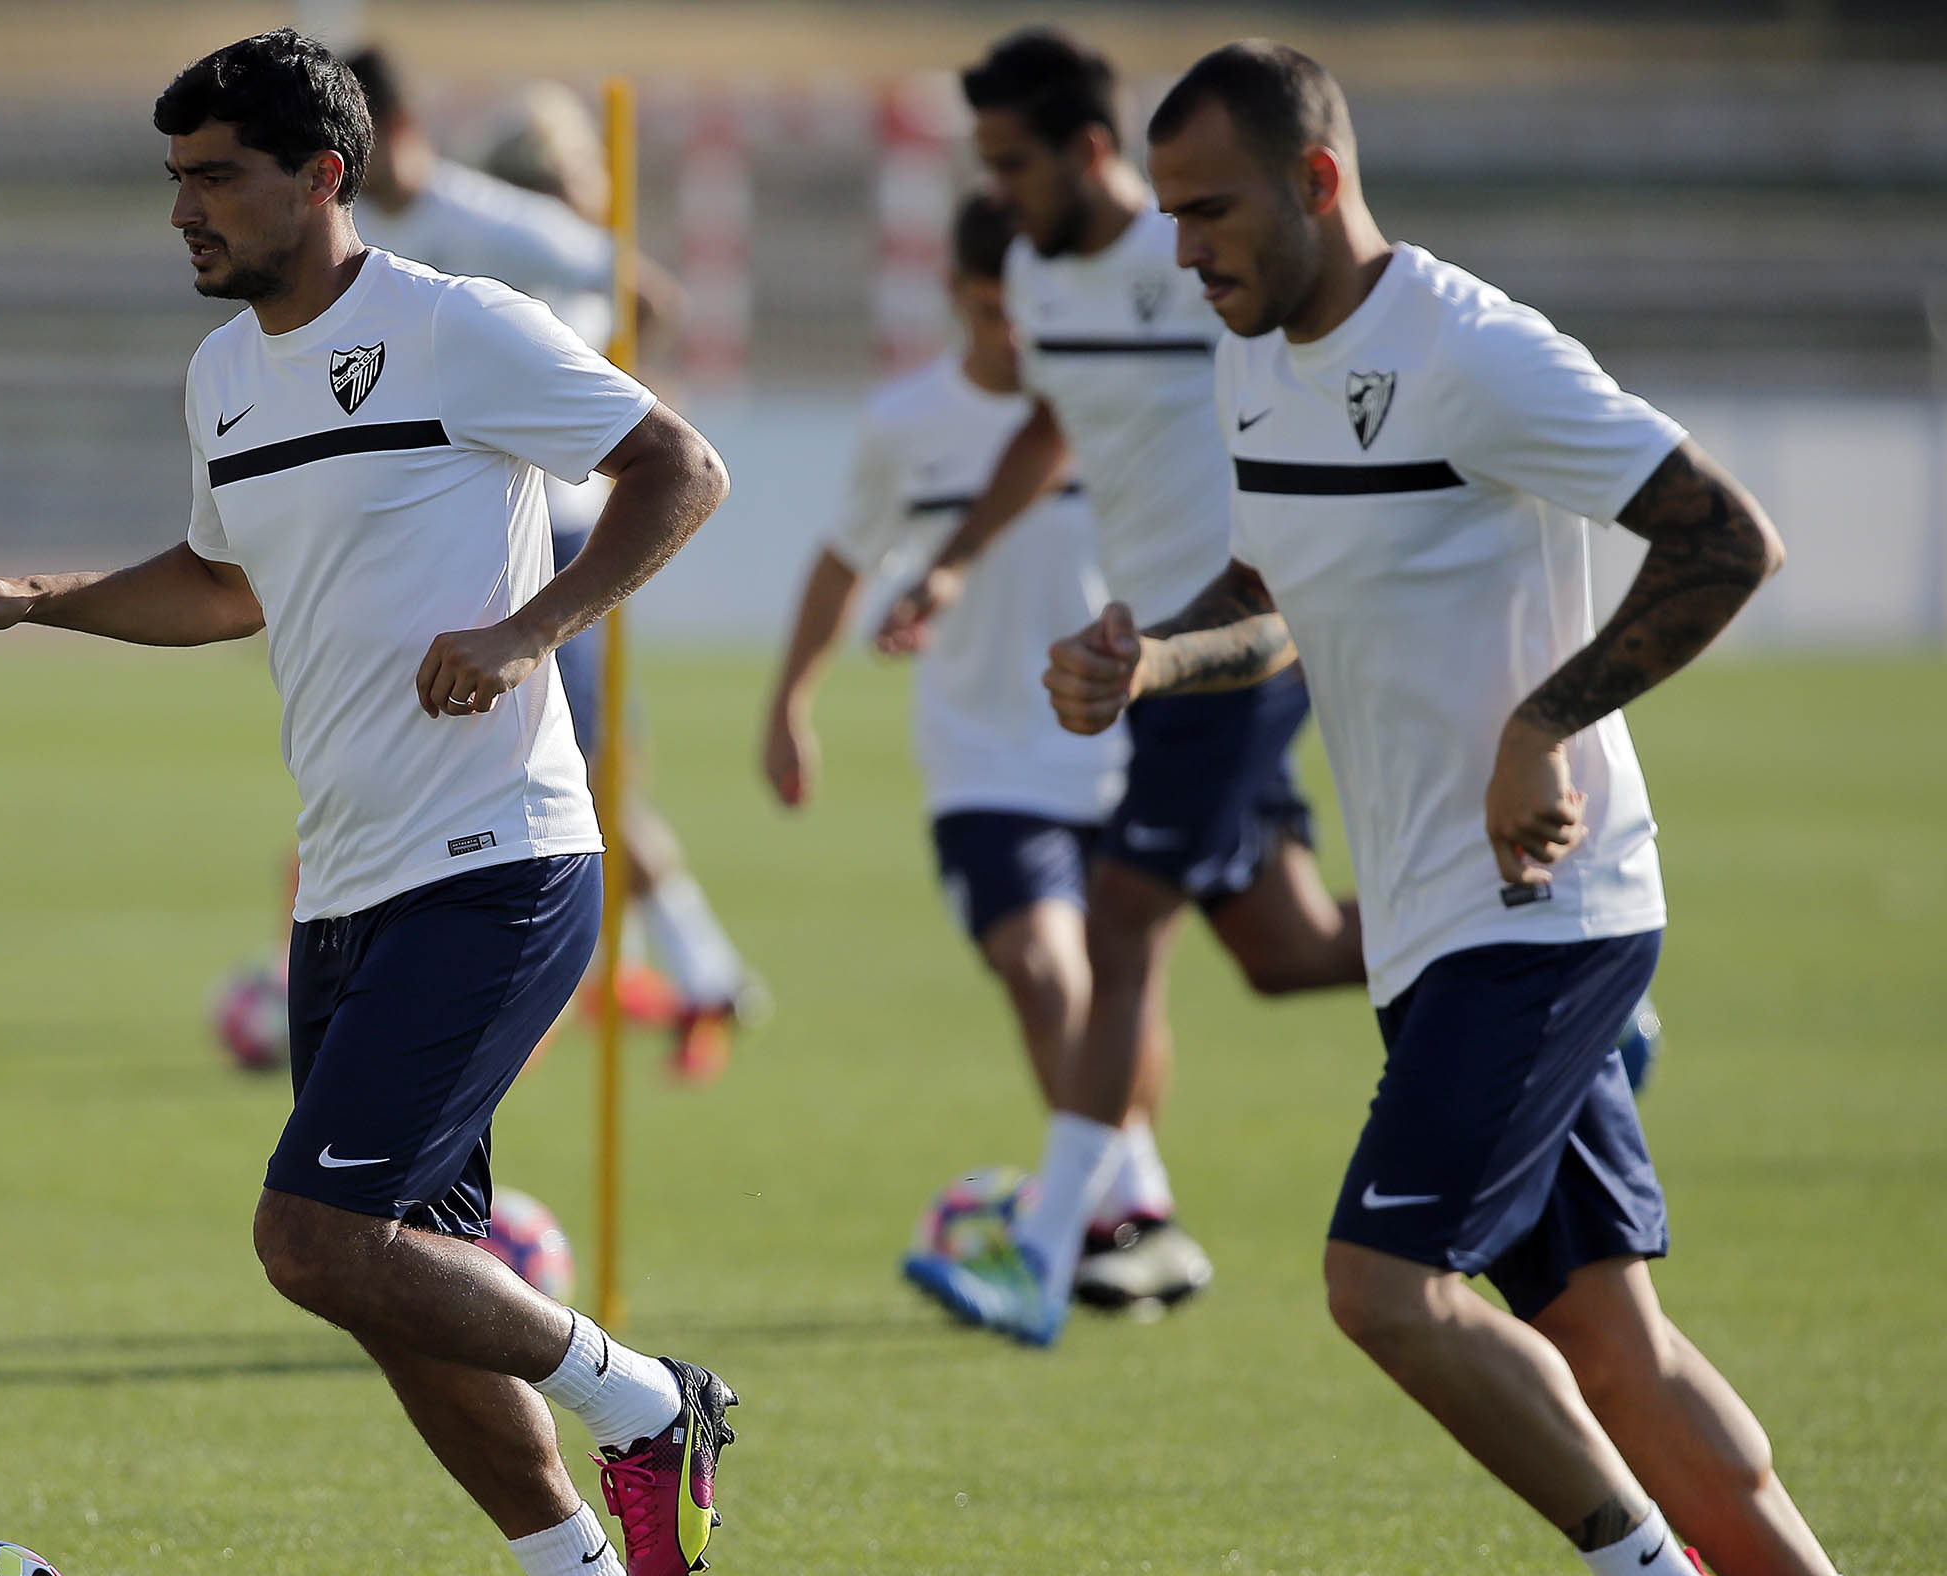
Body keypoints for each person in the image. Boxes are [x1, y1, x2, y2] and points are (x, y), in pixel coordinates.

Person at [1053, 42, 1942, 1576]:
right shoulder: (1253, 354)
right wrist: (1151, 658)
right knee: (1616, 1346)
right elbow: (1279, 598)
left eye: (1211, 209)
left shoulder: (1478, 352)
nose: (1184, 250)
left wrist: (1544, 723)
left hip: (1551, 906)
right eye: (1168, 217)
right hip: (1435, 924)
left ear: (1316, 182)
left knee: (1385, 1288)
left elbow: (1723, 540)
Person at [0, 31, 735, 1576]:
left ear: (326, 178)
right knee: (400, 1292)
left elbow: (681, 469)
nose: (187, 211)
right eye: (175, 181)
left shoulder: (454, 326)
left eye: (216, 176)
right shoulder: (224, 377)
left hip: (502, 862)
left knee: (312, 1236)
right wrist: (40, 599)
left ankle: (652, 1398)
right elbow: (227, 586)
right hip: (349, 887)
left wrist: (533, 631)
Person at [893, 29, 1370, 1342]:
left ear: (1089, 153)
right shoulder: (1040, 271)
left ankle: (1046, 1256)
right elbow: (1056, 418)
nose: (995, 192)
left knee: (1119, 919)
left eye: (1012, 162)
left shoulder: (1204, 276)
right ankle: (1539, 947)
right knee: (1289, 951)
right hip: (1150, 655)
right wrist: (951, 562)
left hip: (1239, 634)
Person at [763, 194, 1200, 1315]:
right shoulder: (910, 420)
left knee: (1122, 990)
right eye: (1004, 310)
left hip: (1125, 740)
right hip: (985, 756)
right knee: (1043, 969)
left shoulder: (1114, 404)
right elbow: (840, 556)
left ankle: (1127, 1223)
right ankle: (1131, 1210)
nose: (1026, 335)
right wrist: (790, 699)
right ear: (962, 298)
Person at [345, 46, 757, 1083]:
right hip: (454, 541)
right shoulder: (369, 238)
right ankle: (677, 969)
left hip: (552, 541)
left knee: (571, 779)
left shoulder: (491, 227)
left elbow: (645, 294)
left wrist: (603, 413)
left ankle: (689, 969)